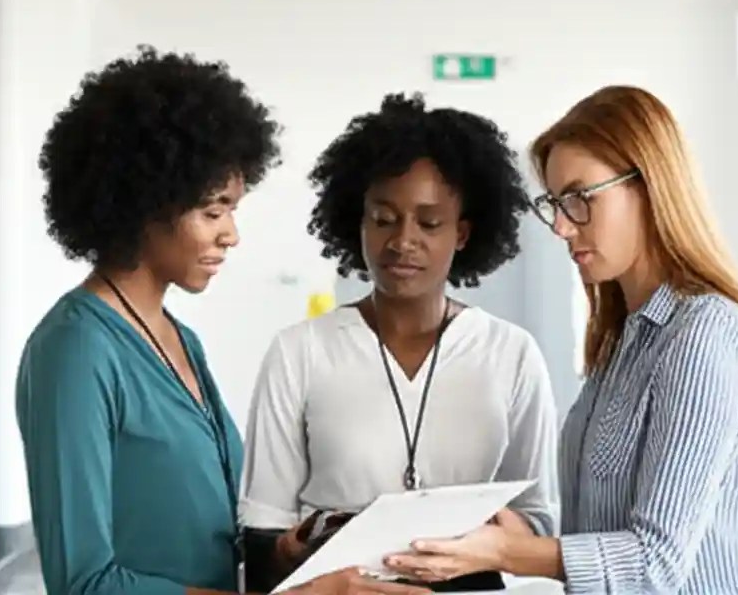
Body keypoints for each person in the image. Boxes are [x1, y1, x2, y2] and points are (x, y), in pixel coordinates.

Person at [16, 47, 426, 595]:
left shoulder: (178, 338)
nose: (231, 234)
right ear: (145, 205)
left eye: (232, 210)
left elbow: (196, 526)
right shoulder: (75, 351)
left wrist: (291, 546)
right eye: (213, 211)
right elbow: (84, 583)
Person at [385, 85, 738, 594]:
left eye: (578, 199)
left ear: (648, 184)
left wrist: (510, 554)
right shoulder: (622, 342)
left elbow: (653, 565)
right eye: (553, 203)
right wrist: (519, 533)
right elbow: (601, 527)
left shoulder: (706, 335)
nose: (560, 226)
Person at [237, 93, 561, 592]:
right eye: (383, 219)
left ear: (462, 233)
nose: (403, 241)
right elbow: (263, 544)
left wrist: (481, 533)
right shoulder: (300, 352)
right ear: (357, 221)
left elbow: (539, 524)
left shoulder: (510, 354)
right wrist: (297, 545)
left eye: (429, 223)